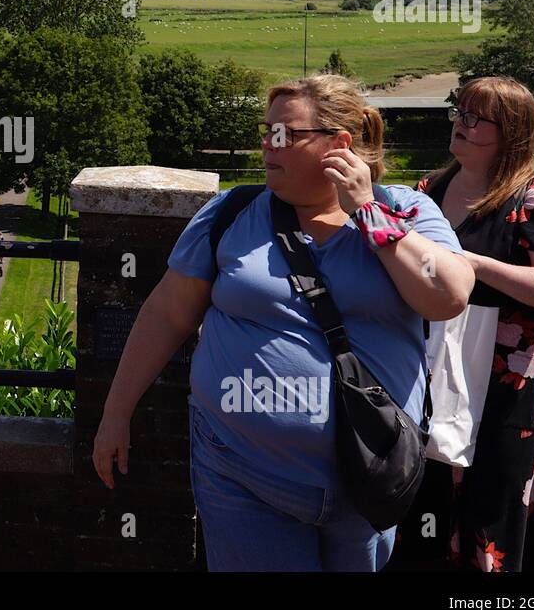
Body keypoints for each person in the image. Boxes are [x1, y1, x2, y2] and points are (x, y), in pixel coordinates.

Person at [92, 74, 474, 571]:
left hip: (367, 475)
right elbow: (167, 313)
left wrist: (368, 213)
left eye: (287, 135)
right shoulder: (230, 213)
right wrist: (116, 412)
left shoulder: (406, 210)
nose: (269, 147)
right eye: (266, 132)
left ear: (340, 146)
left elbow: (448, 296)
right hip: (242, 470)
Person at [413, 77, 534, 572]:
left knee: (498, 501)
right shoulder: (431, 189)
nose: (459, 125)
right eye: (458, 113)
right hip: (443, 368)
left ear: (510, 131)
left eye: (474, 118)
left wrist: (469, 263)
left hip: (513, 383)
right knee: (437, 500)